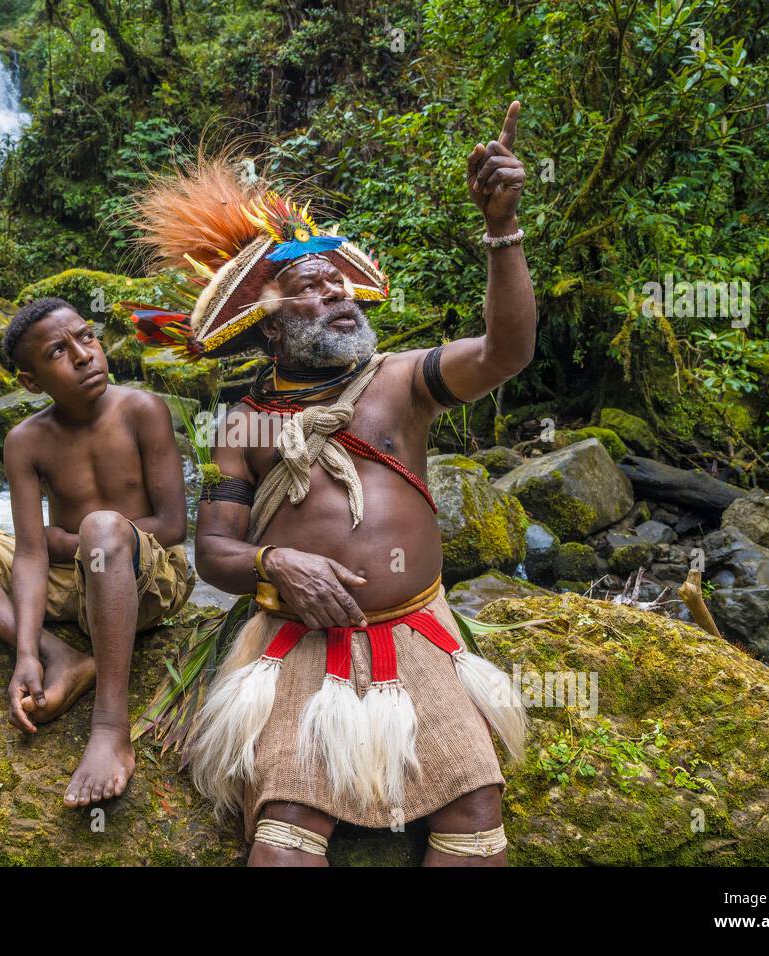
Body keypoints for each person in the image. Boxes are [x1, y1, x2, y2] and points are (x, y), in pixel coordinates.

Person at [128, 102, 536, 865]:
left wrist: (502, 230)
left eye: (339, 286)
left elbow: (508, 350)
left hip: (417, 634)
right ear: (270, 326)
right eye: (312, 291)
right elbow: (212, 553)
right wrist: (275, 564)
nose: (338, 295)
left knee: (475, 806)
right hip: (295, 642)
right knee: (284, 826)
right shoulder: (243, 422)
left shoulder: (401, 382)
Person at [0, 297, 194, 807]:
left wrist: (79, 538)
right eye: (59, 351)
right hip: (71, 579)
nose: (84, 355)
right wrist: (26, 654)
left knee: (103, 528)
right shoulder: (26, 440)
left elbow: (172, 526)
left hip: (145, 578)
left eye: (87, 337)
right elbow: (32, 555)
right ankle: (63, 655)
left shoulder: (142, 410)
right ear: (31, 382)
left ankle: (109, 727)